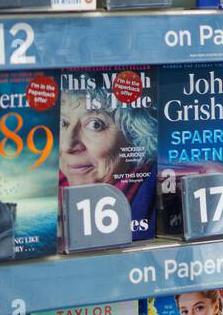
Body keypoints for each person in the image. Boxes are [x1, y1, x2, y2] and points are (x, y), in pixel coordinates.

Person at [59, 87, 157, 238]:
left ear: (134, 134)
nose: (67, 145)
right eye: (63, 123)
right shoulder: (47, 188)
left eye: (95, 125)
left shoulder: (157, 194)